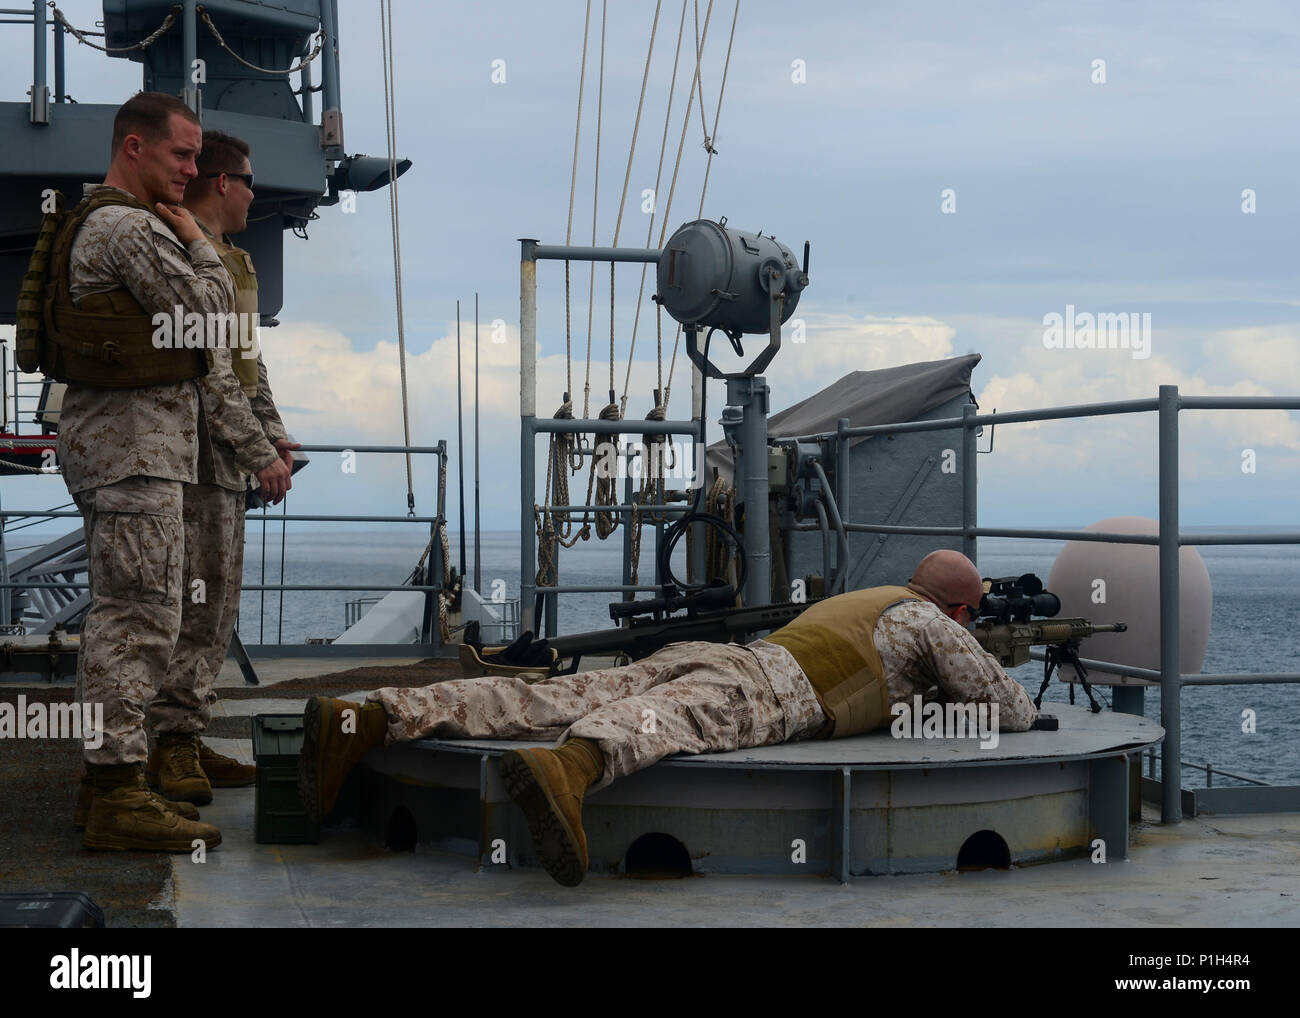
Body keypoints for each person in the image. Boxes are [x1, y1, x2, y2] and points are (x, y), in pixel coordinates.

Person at [298, 549, 1037, 885]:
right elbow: (1006, 707)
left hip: (720, 654)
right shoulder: (932, 622)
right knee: (666, 721)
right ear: (960, 609)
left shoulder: (872, 597)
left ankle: (371, 719)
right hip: (774, 692)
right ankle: (570, 769)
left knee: (550, 696)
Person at [55, 92, 230, 851]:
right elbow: (216, 315)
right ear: (134, 147)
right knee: (136, 620)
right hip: (131, 452)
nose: (192, 171)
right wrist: (194, 233)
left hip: (127, 450)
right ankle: (120, 791)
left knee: (132, 613)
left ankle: (108, 791)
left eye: (196, 159)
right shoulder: (128, 227)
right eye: (181, 155)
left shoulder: (105, 221)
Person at [142, 129, 298, 805]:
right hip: (184, 454)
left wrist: (276, 435)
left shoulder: (231, 262)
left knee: (216, 606)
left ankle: (184, 734)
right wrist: (258, 451)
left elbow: (245, 362)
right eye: (251, 181)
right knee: (182, 608)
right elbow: (204, 371)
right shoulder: (173, 250)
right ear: (224, 184)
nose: (256, 194)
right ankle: (163, 748)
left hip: (224, 461)